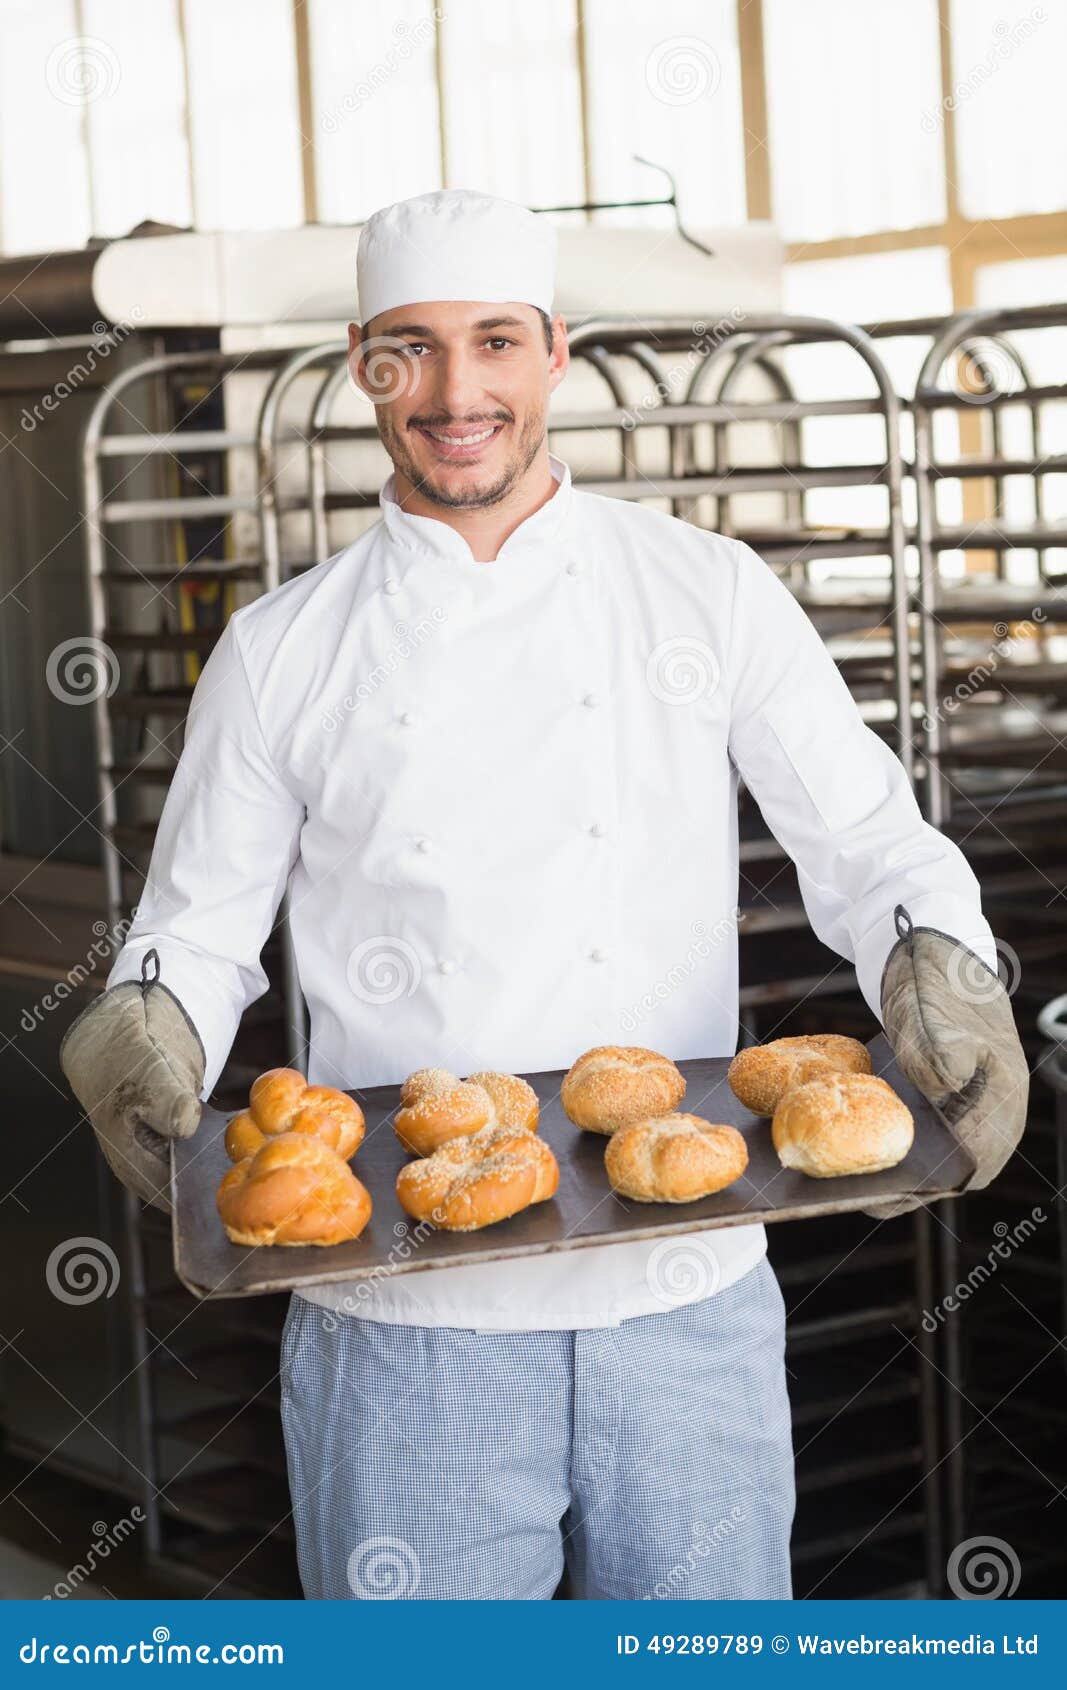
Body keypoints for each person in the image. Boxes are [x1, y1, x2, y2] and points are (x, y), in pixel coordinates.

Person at [61, 188, 1029, 1601]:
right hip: (399, 1327)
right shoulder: (280, 652)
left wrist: (943, 964)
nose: (460, 393)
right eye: (414, 348)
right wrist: (150, 1021)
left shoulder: (707, 593)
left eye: (497, 342)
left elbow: (869, 840)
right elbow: (200, 930)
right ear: (361, 363)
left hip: (681, 1305)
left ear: (556, 353)